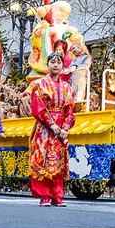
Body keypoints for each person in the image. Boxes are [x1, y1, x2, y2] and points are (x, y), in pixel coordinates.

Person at [29, 52, 76, 207]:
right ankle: (44, 195)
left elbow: (70, 110)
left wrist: (65, 128)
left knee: (59, 161)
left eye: (58, 62)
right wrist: (52, 125)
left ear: (63, 66)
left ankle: (57, 195)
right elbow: (38, 108)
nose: (56, 65)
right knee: (43, 158)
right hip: (45, 128)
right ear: (47, 65)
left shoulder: (67, 88)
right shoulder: (40, 84)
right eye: (52, 62)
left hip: (61, 130)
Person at [62, 42, 92, 110]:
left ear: (81, 48)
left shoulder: (87, 57)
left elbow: (86, 66)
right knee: (72, 96)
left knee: (79, 96)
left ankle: (78, 109)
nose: (73, 50)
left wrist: (76, 67)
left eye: (75, 48)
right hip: (73, 80)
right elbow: (68, 69)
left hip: (81, 78)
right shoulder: (74, 60)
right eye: (72, 48)